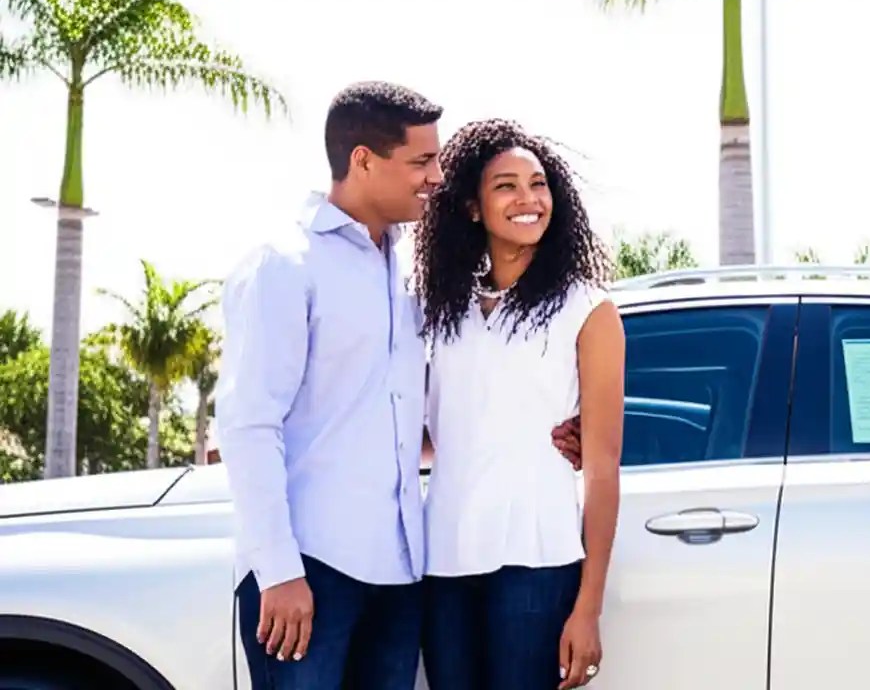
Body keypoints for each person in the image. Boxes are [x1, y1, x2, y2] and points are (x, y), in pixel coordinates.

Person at [215, 83, 581, 689]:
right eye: (421, 162)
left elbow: (411, 417)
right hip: (310, 571)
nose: (436, 177)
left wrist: (553, 435)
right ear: (363, 160)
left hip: (401, 573)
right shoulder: (285, 265)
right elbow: (249, 425)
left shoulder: (411, 270)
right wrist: (277, 571)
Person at [414, 118, 625, 690]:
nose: (529, 199)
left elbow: (603, 467)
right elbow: (436, 428)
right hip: (444, 563)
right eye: (506, 185)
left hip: (536, 563)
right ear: (472, 208)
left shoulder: (586, 309)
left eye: (538, 184)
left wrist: (588, 607)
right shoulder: (439, 308)